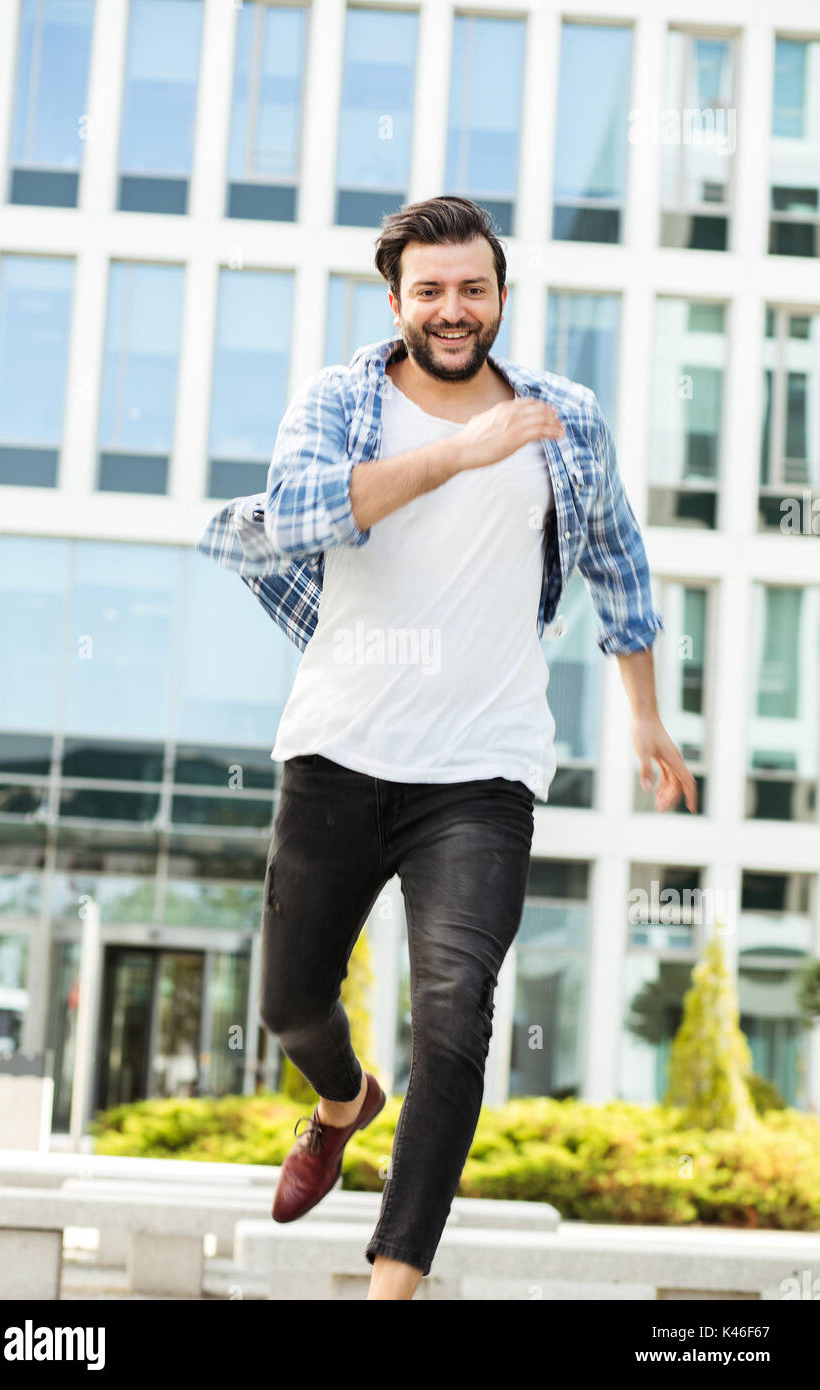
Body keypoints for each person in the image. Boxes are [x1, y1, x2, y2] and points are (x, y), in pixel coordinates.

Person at [198, 195, 697, 1300]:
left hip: (482, 771)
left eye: (472, 287)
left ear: (500, 296)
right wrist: (457, 454)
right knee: (288, 1004)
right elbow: (294, 513)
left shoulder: (560, 419)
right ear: (396, 302)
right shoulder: (340, 399)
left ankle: (392, 1283)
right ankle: (340, 1103)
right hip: (337, 748)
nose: (452, 308)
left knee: (457, 1013)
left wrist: (644, 715)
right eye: (428, 290)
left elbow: (617, 559)